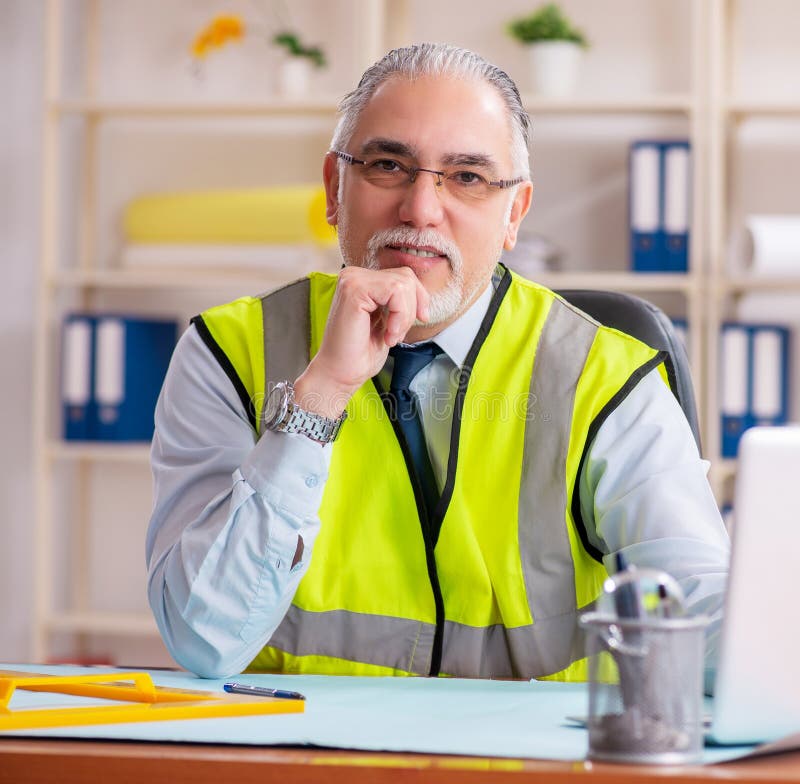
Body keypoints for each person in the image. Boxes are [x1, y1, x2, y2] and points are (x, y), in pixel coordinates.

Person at [146, 43, 730, 680]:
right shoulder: (229, 353)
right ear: (333, 190)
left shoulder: (606, 375)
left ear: (515, 213)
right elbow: (202, 640)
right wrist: (320, 396)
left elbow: (705, 621)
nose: (421, 209)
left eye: (469, 178)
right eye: (388, 165)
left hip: (537, 770)